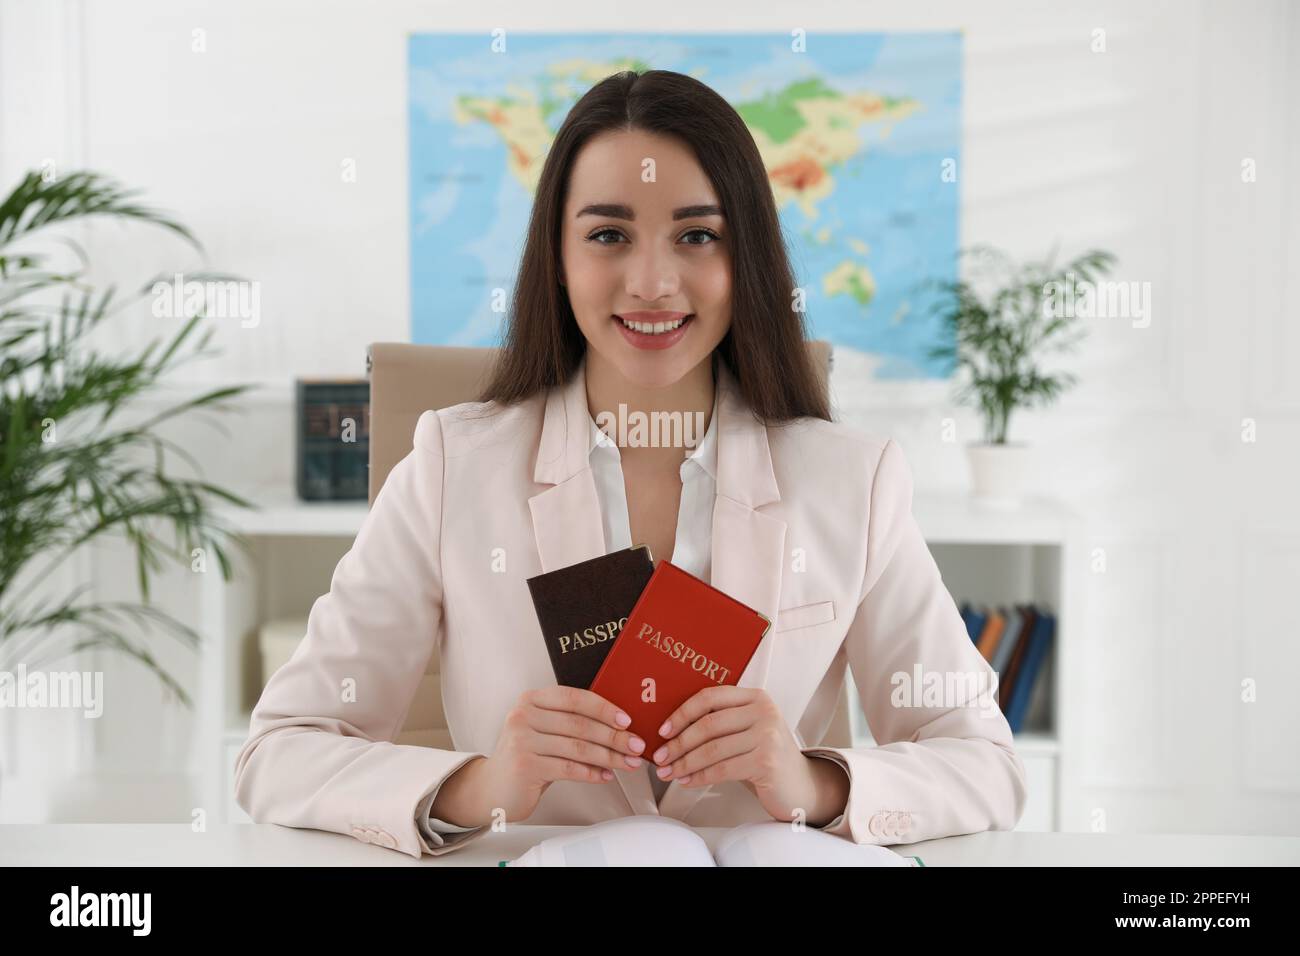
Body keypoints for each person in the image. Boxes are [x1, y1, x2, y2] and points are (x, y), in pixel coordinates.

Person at [234, 69, 1026, 858]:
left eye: (697, 235)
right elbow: (280, 751)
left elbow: (984, 763)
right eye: (608, 235)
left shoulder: (856, 480)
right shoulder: (452, 467)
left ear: (744, 257)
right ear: (557, 258)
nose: (651, 283)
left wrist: (815, 783)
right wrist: (482, 785)